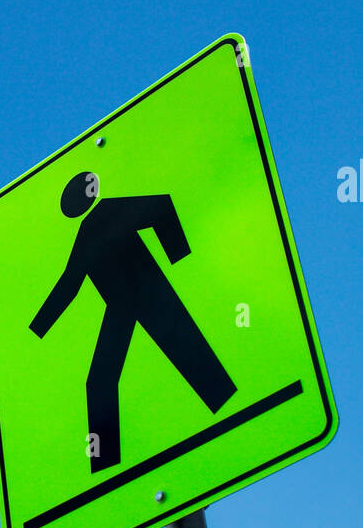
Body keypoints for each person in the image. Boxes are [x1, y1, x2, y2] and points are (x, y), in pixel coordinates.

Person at [30, 172, 237, 473]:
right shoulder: (87, 232)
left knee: (188, 348)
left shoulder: (109, 211)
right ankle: (106, 463)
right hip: (121, 306)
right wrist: (36, 330)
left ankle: (231, 408)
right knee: (100, 380)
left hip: (150, 290)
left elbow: (161, 206)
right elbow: (70, 283)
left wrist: (179, 256)